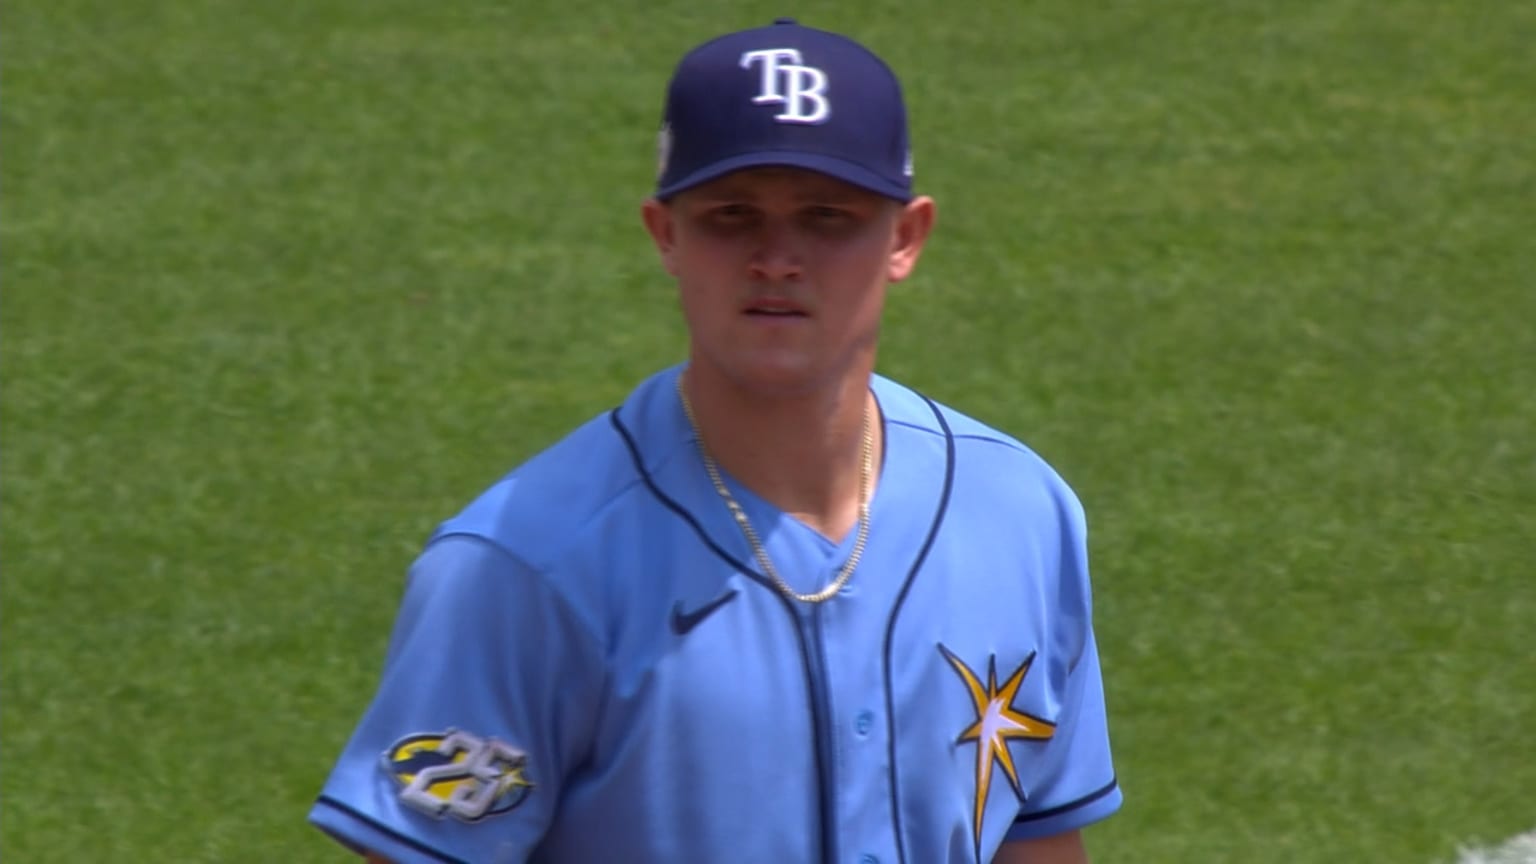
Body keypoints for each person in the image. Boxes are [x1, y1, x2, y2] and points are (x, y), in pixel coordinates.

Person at [309, 17, 1121, 864]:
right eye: (733, 216)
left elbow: (1038, 839)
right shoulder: (522, 568)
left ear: (905, 239)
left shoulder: (1019, 513)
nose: (777, 257)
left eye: (828, 216)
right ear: (667, 235)